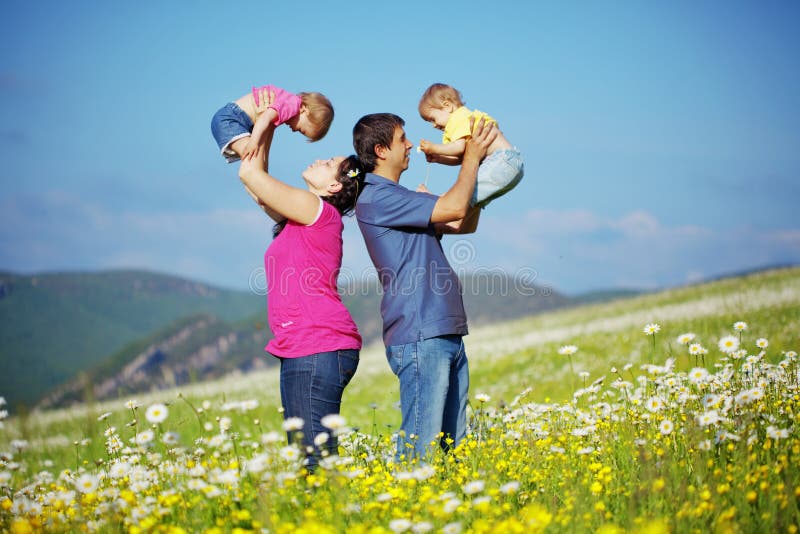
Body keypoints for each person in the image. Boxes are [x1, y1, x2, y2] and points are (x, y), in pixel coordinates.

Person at [352, 112, 497, 462]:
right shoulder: (378, 198)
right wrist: (471, 159)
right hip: (420, 334)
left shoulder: (398, 196)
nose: (411, 145)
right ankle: (412, 510)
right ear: (381, 150)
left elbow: (462, 222)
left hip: (443, 329)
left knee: (452, 450)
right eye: (403, 139)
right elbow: (455, 205)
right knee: (423, 453)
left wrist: (481, 180)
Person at [238, 118, 362, 471]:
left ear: (335, 185)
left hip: (318, 343)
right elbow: (255, 182)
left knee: (312, 460)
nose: (318, 159)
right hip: (306, 345)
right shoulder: (301, 214)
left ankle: (328, 519)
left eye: (327, 163)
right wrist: (271, 128)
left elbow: (250, 174)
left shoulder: (318, 211)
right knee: (307, 456)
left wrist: (267, 118)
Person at [417, 83, 524, 233]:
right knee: (470, 197)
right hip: (508, 165)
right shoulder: (461, 123)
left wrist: (434, 148)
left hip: (502, 161)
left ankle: (437, 203)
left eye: (433, 119)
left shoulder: (459, 118)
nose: (433, 125)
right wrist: (439, 158)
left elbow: (459, 148)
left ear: (447, 106)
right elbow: (462, 158)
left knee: (464, 192)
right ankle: (452, 221)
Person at [212, 85, 334, 163]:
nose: (294, 131)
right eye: (301, 130)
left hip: (235, 120)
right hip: (232, 119)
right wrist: (253, 142)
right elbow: (263, 119)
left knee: (255, 159)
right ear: (305, 110)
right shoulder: (291, 105)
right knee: (252, 158)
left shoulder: (287, 103)